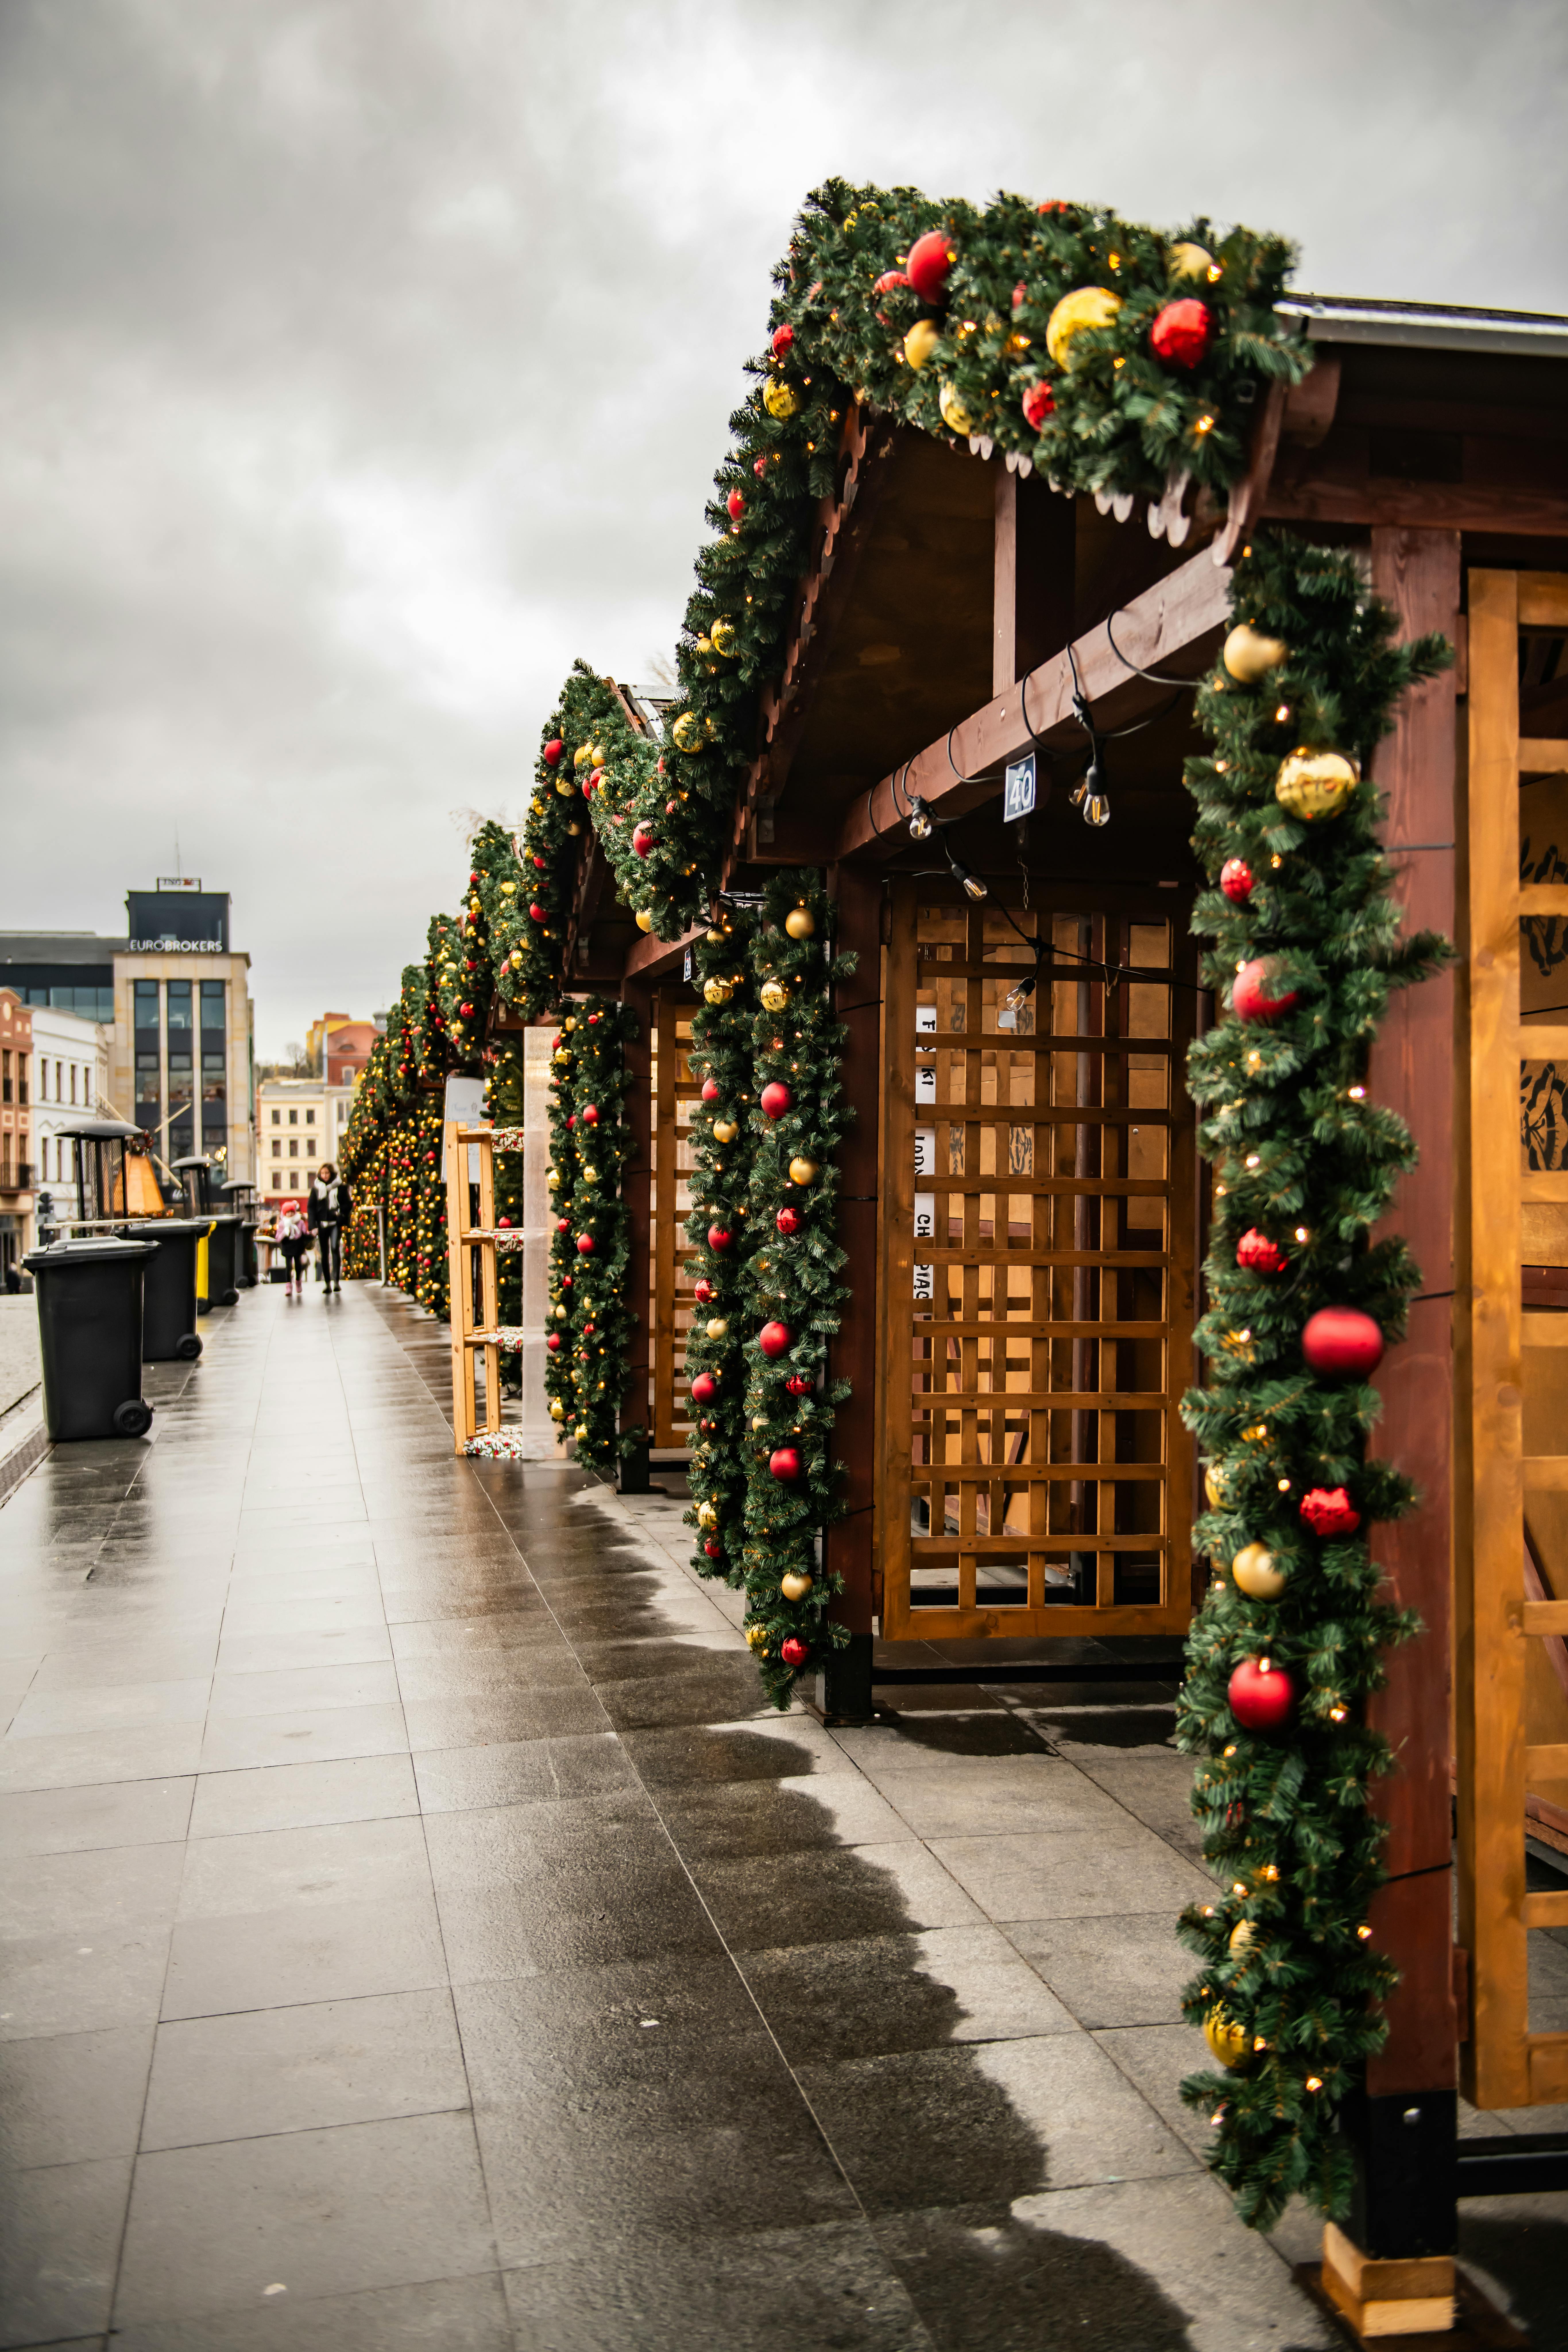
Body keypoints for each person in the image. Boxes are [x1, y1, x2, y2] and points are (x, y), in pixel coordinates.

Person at [308, 1163, 351, 1293]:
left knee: (334, 1249)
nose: (325, 1176)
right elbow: (311, 1207)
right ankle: (327, 1283)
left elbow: (348, 1204)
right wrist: (312, 1226)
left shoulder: (341, 1187)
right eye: (323, 1173)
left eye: (327, 1173)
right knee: (324, 1254)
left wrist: (341, 1216)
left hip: (335, 1224)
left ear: (332, 1174)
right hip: (322, 1225)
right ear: (320, 1175)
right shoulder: (316, 1189)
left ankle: (336, 1281)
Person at [274, 1197, 311, 1296]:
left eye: (292, 1212)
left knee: (298, 1265)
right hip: (288, 1246)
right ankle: (289, 1287)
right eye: (288, 1212)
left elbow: (305, 1232)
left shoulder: (300, 1222)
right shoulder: (282, 1224)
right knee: (289, 1267)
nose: (290, 1214)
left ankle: (298, 1283)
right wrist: (285, 1234)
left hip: (298, 1245)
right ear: (284, 1213)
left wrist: (310, 1234)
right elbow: (278, 1238)